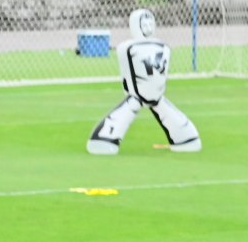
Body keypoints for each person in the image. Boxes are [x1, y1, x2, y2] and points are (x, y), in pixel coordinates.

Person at [86, 8, 201, 154]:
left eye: (149, 24)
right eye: (144, 25)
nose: (148, 28)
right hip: (153, 94)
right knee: (167, 113)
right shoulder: (163, 47)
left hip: (140, 95)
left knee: (127, 113)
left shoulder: (127, 47)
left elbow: (128, 76)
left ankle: (103, 141)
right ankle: (186, 139)